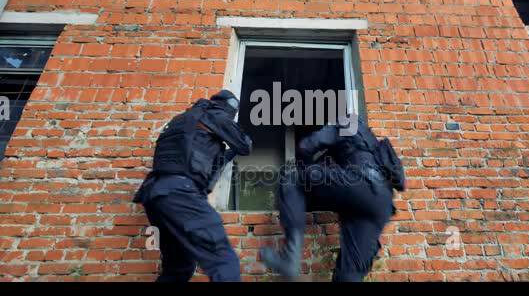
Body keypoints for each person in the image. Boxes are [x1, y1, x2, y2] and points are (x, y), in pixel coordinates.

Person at [261, 115, 403, 282]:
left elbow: (307, 146)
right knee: (349, 275)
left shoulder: (346, 123)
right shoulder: (370, 142)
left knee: (292, 178)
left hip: (361, 183)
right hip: (382, 202)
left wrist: (302, 180)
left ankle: (290, 258)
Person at [134, 90, 252, 282]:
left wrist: (226, 152)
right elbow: (245, 146)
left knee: (179, 268)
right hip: (181, 192)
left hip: (155, 194)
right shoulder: (216, 115)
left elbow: (203, 157)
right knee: (222, 259)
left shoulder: (183, 120)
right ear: (228, 107)